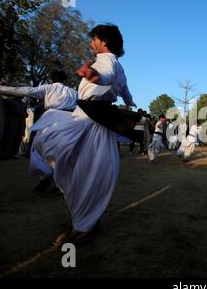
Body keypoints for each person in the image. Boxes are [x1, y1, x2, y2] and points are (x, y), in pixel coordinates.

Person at [29, 24, 138, 245]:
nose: (91, 43)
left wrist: (89, 72)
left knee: (66, 159)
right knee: (81, 171)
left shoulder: (106, 60)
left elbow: (105, 77)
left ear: (104, 41)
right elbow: (126, 92)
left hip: (91, 121)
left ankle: (84, 226)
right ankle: (85, 219)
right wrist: (129, 102)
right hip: (93, 120)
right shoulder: (119, 66)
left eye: (94, 39)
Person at [0, 71, 78, 192]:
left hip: (51, 120)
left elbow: (24, 90)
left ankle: (46, 177)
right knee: (65, 150)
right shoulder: (74, 92)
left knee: (39, 146)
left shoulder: (48, 88)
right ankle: (59, 182)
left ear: (51, 80)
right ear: (65, 81)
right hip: (70, 121)